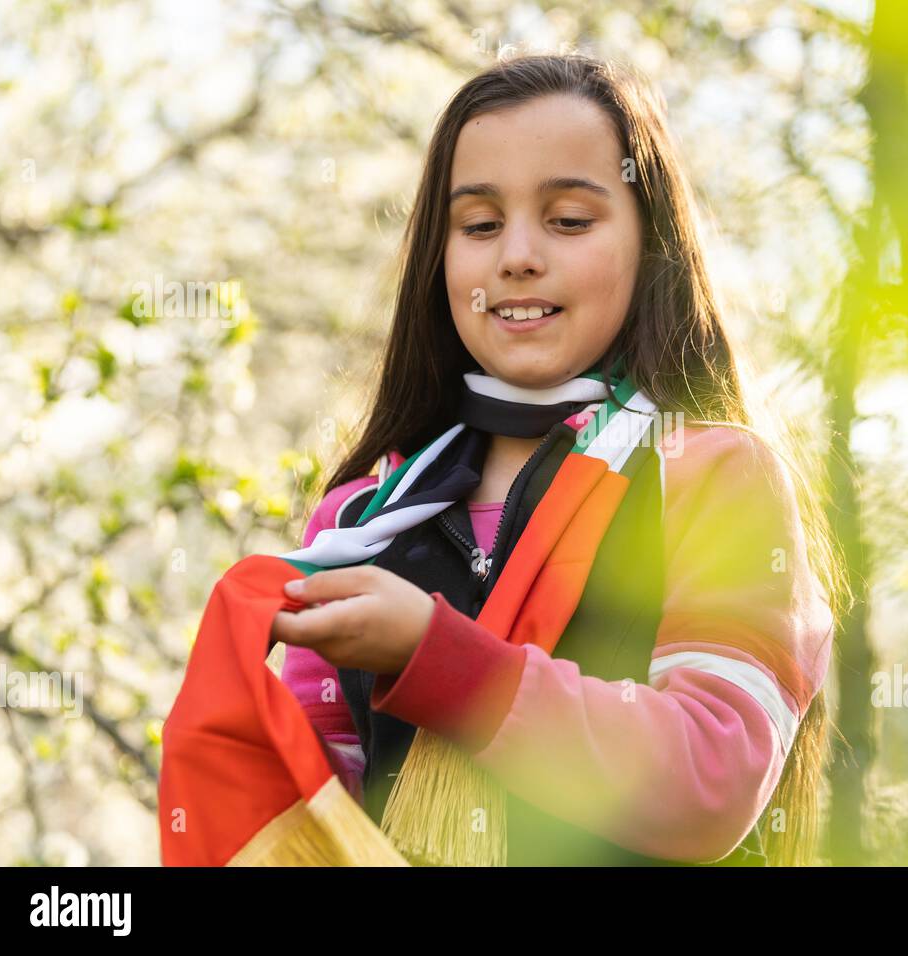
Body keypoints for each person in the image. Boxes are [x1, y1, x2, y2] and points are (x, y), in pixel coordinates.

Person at [270, 52, 843, 866]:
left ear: (653, 243)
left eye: (570, 220)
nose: (518, 256)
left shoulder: (710, 478)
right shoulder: (360, 518)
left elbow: (711, 776)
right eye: (478, 225)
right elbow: (307, 815)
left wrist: (438, 660)